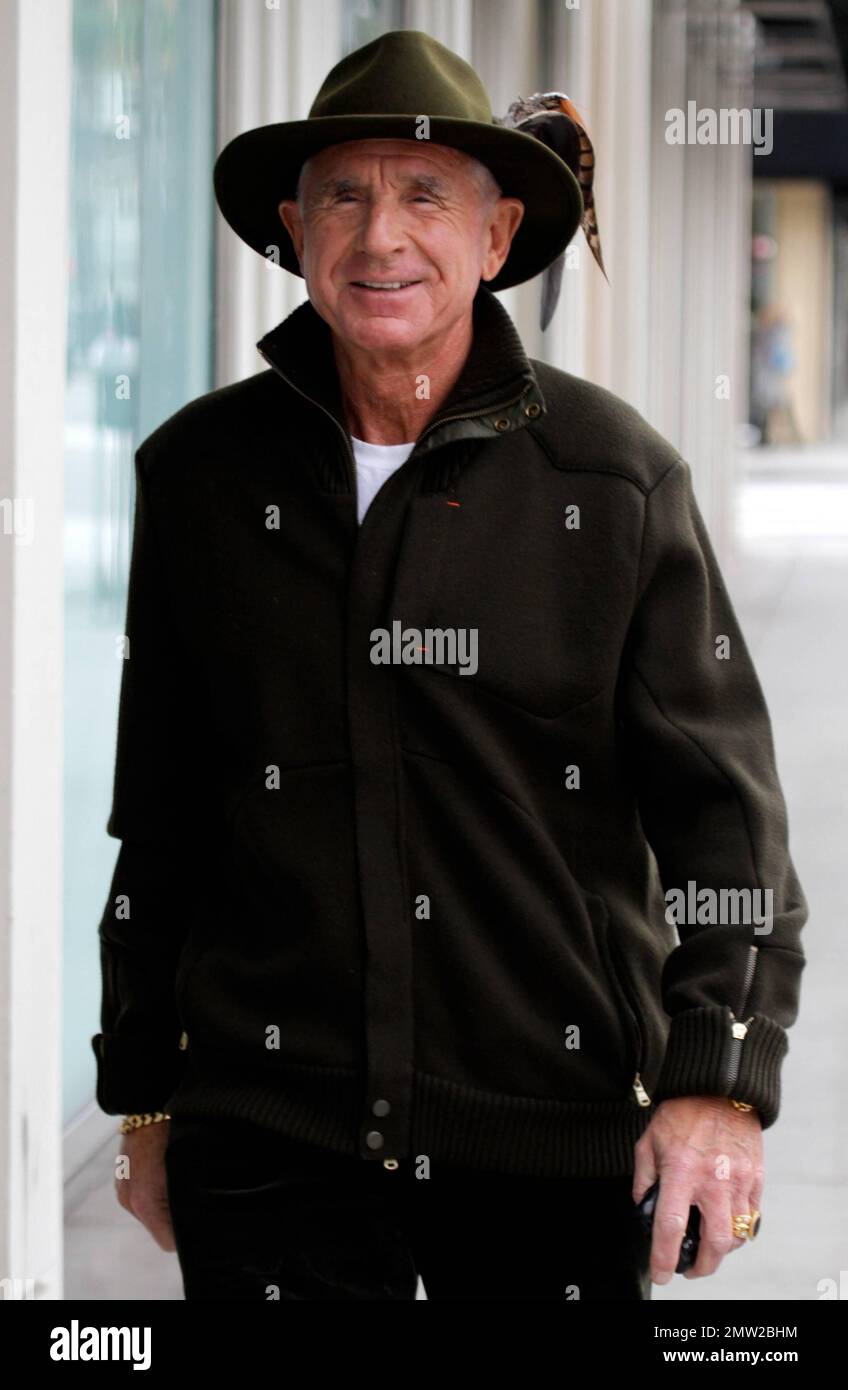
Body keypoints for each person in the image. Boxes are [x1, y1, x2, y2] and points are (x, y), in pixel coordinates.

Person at [92, 30, 808, 1301]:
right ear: (291, 229)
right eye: (344, 196)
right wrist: (143, 1093)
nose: (380, 238)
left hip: (548, 1135)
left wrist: (715, 1082)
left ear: (495, 236)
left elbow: (724, 822)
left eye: (425, 195)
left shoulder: (613, 481)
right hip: (270, 1135)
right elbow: (160, 814)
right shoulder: (198, 478)